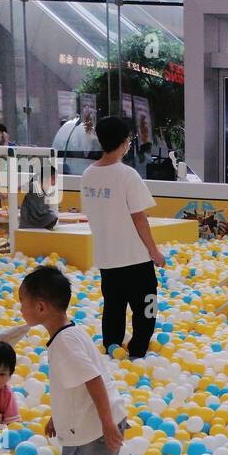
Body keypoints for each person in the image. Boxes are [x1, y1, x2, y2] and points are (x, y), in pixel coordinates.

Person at [19, 265, 128, 455]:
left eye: (22, 302)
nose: (20, 308)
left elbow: (94, 380)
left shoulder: (64, 344)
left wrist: (106, 424)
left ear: (40, 307)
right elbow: (75, 386)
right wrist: (57, 417)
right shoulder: (71, 333)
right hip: (100, 424)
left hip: (94, 433)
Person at [80, 115, 165, 359]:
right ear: (125, 142)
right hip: (134, 256)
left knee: (113, 306)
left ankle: (112, 347)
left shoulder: (87, 175)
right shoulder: (127, 175)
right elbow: (139, 218)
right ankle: (138, 349)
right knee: (146, 305)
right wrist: (154, 251)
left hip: (107, 257)